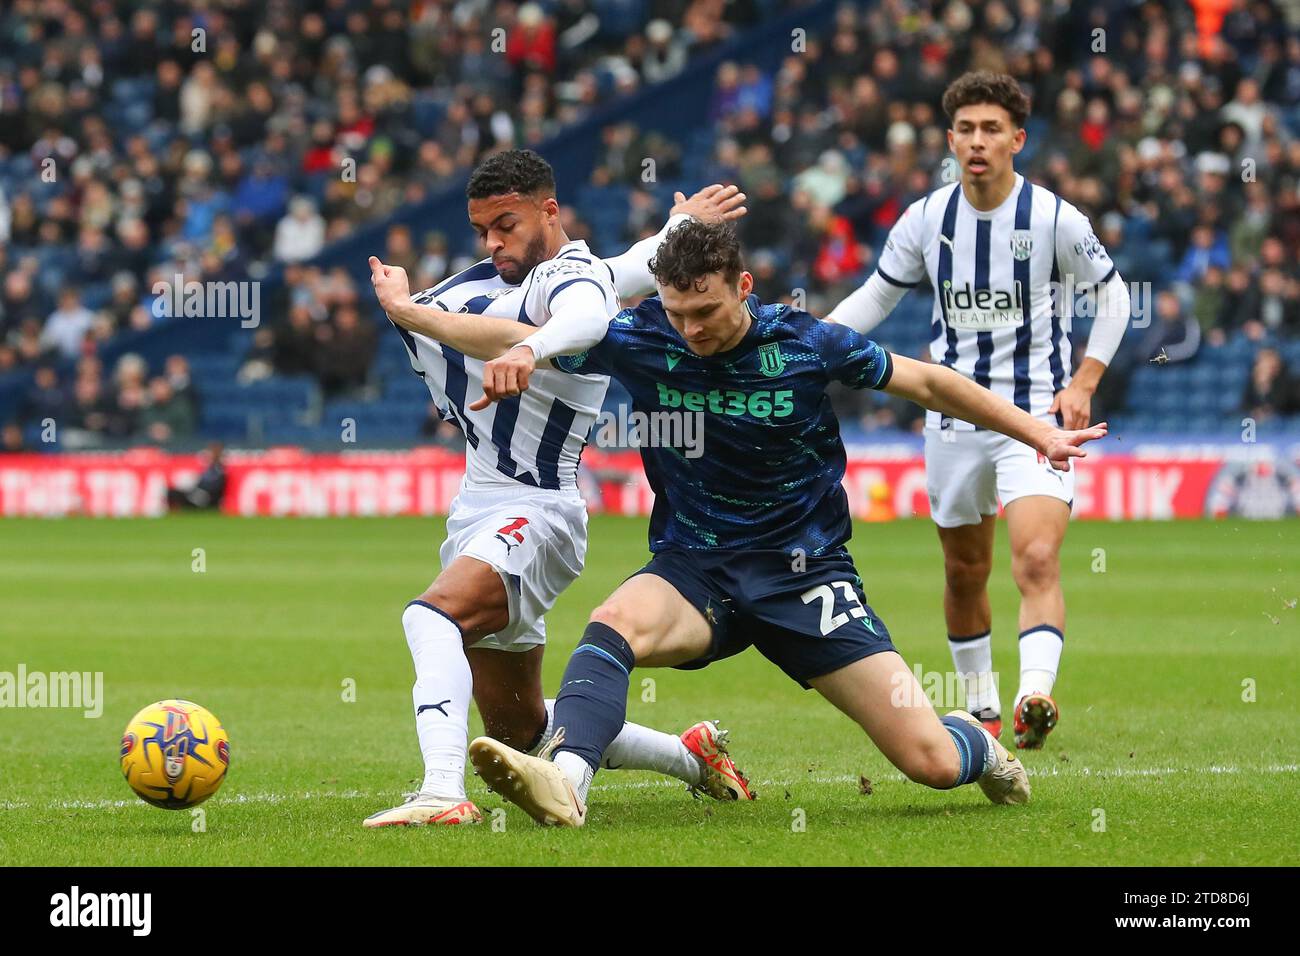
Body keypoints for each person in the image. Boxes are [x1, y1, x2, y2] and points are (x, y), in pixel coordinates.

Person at [454, 219, 1106, 827]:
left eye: (707, 312)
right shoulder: (641, 338)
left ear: (743, 287)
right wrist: (416, 316)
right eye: (680, 315)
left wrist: (1034, 435)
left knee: (930, 763)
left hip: (805, 577)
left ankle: (976, 744)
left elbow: (931, 385)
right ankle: (567, 781)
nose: (694, 332)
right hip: (695, 570)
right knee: (613, 622)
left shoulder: (804, 342)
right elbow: (511, 332)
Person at [365, 149, 754, 827]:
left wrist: (525, 349)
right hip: (477, 512)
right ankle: (691, 756)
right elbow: (634, 263)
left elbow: (587, 319)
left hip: (537, 512)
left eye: (506, 224)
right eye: (483, 229)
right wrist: (674, 229)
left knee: (429, 617)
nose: (493, 242)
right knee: (520, 728)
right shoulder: (508, 278)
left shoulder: (571, 283)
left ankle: (439, 793)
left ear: (549, 210)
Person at [825, 72, 1131, 749]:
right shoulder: (928, 219)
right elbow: (877, 298)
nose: (977, 141)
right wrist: (813, 343)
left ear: (1018, 139)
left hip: (1034, 421)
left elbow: (1114, 298)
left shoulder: (1053, 219)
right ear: (950, 140)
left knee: (1036, 559)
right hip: (953, 420)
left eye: (992, 129)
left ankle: (1033, 695)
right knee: (965, 571)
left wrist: (1083, 381)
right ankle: (983, 708)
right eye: (965, 129)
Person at [167, 442, 227, 510]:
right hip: (199, 493)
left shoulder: (220, 468)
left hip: (207, 498)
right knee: (173, 491)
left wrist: (197, 482)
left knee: (175, 494)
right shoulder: (211, 467)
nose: (210, 454)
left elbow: (214, 486)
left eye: (212, 451)